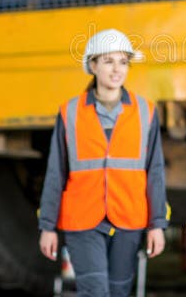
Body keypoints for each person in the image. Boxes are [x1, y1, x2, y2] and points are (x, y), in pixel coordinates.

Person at [38, 28, 169, 297]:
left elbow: (154, 172)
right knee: (95, 290)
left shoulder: (146, 111)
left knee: (119, 291)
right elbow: (56, 173)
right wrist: (47, 227)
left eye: (123, 62)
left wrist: (157, 224)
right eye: (108, 61)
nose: (116, 69)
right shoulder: (70, 112)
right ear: (93, 65)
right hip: (82, 218)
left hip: (129, 217)